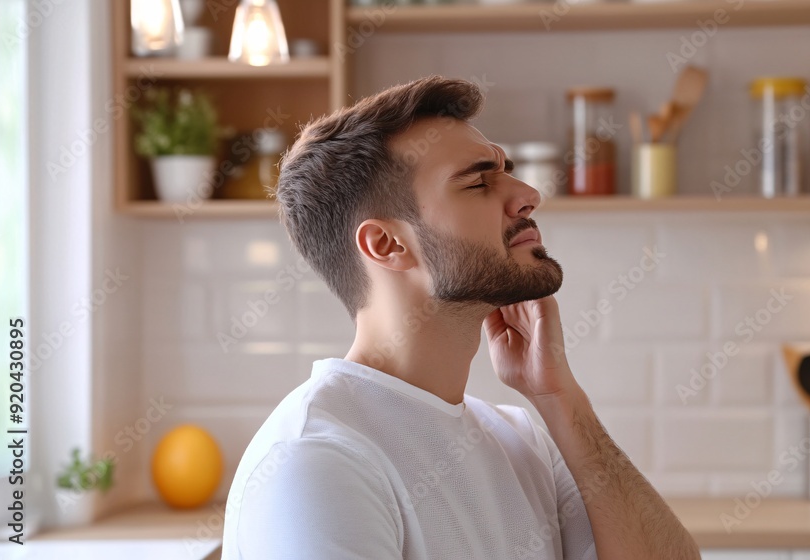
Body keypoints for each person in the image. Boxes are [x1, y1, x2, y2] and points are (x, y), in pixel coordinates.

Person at [221, 76, 699, 560]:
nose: (528, 193)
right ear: (387, 245)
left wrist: (560, 399)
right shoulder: (315, 462)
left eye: (506, 170)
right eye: (477, 182)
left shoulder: (524, 439)